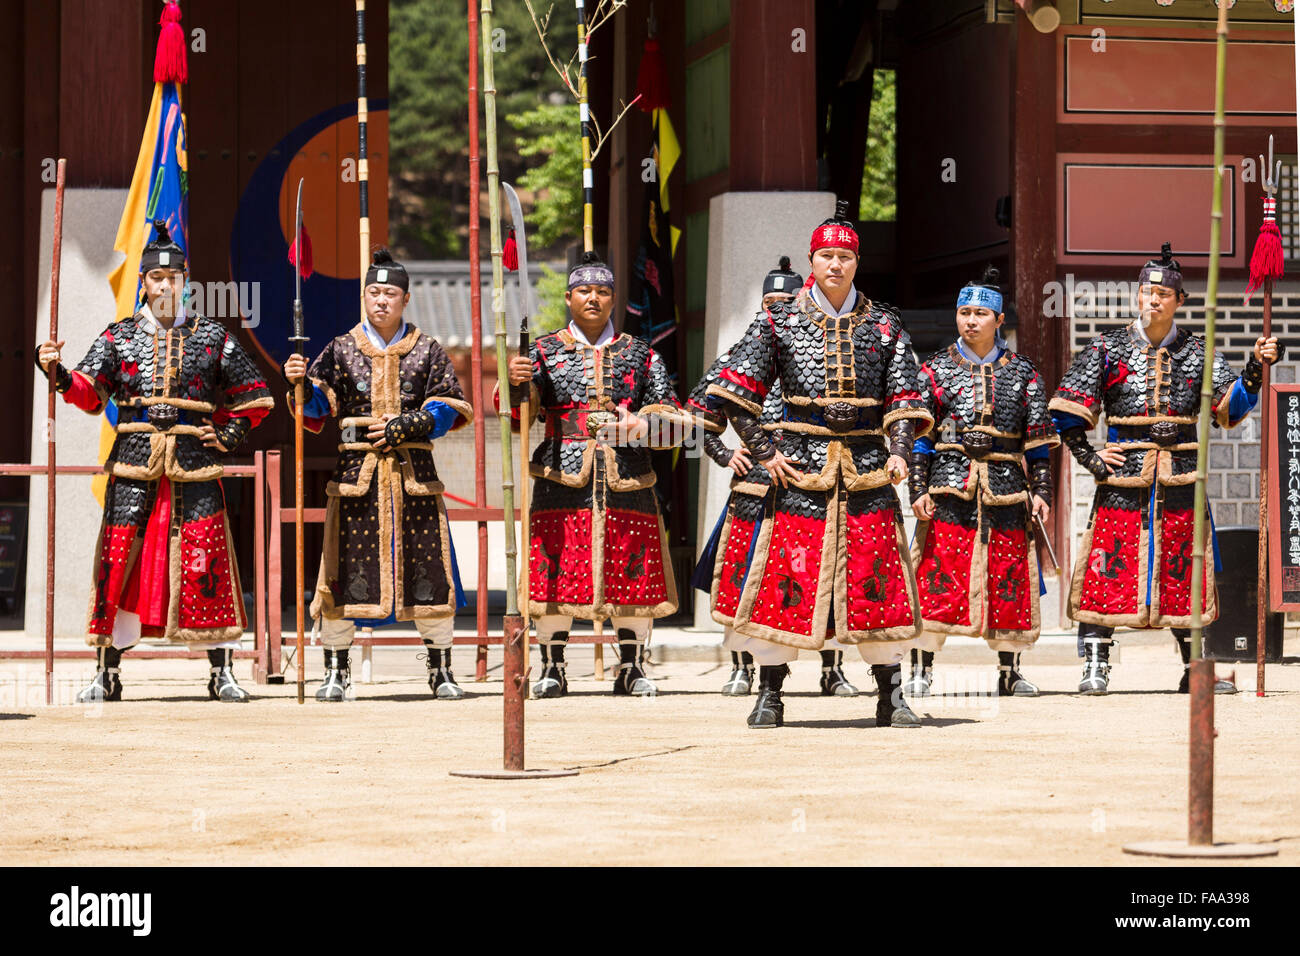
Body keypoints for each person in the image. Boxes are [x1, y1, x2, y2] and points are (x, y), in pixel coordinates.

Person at [702, 202, 933, 729]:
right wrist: (763, 450)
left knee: (880, 574)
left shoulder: (884, 325)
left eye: (845, 256)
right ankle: (770, 693)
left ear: (857, 263)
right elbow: (732, 393)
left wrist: (898, 449)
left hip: (869, 466)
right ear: (812, 259)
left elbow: (905, 399)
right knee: (785, 573)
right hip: (798, 468)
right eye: (826, 255)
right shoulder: (778, 321)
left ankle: (891, 695)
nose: (835, 264)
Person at [35, 221, 272, 702]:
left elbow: (257, 397)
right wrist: (57, 373)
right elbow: (89, 393)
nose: (166, 286)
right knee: (118, 561)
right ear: (143, 283)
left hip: (195, 460)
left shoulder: (213, 337)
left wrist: (228, 433)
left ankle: (221, 669)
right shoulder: (119, 337)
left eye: (175, 278)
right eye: (157, 279)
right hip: (133, 460)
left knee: (208, 560)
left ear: (186, 281)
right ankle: (106, 670)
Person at [1049, 243, 1280, 695]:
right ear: (1137, 296)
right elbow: (1065, 411)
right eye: (1146, 292)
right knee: (1106, 566)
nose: (1154, 300)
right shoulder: (1108, 349)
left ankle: (1195, 667)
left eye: (1164, 294)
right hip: (1124, 480)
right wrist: (1094, 459)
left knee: (1185, 569)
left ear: (1179, 301)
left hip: (1181, 480)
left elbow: (1227, 411)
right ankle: (1096, 664)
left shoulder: (1197, 352)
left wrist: (1254, 369)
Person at [503, 252, 708, 698]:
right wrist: (515, 382)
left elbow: (673, 415)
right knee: (552, 571)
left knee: (631, 570)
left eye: (602, 291)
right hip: (561, 475)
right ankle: (553, 667)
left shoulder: (641, 353)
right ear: (568, 297)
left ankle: (631, 667)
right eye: (584, 290)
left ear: (614, 298)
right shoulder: (540, 351)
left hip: (629, 476)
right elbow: (519, 417)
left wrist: (643, 423)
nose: (593, 298)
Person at [284, 249, 473, 701]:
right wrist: (300, 385)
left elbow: (452, 405)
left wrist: (414, 422)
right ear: (363, 297)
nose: (381, 300)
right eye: (373, 292)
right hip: (357, 478)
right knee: (343, 571)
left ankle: (441, 668)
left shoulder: (427, 349)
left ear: (406, 299)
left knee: (430, 569)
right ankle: (336, 670)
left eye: (390, 293)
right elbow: (315, 410)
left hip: (414, 476)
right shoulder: (340, 349)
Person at [689, 256, 859, 698]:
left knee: (824, 573)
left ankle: (832, 667)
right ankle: (745, 667)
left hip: (816, 480)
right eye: (769, 303)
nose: (776, 310)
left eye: (784, 301)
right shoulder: (736, 359)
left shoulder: (833, 355)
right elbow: (699, 417)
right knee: (748, 578)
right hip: (757, 488)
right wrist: (727, 454)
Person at [905, 266, 1058, 698]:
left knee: (1008, 575)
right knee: (935, 570)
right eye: (963, 312)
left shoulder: (1024, 373)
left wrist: (1042, 492)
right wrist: (916, 489)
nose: (970, 320)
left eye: (980, 314)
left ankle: (1009, 670)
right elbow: (920, 438)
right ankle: (920, 667)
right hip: (948, 486)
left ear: (998, 321)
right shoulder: (933, 370)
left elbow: (1039, 443)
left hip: (1007, 487)